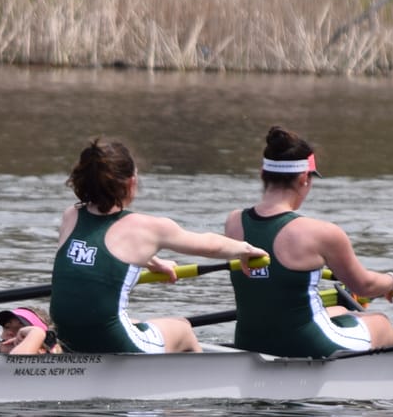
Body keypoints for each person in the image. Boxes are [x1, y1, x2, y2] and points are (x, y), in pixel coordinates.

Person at [50, 137, 264, 354]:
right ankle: (204, 377)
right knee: (182, 328)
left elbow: (99, 251)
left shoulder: (71, 216)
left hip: (67, 339)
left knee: (133, 321)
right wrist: (245, 249)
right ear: (131, 182)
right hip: (115, 346)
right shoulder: (148, 228)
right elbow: (210, 246)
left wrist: (153, 262)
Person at [222, 126, 393, 355]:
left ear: (263, 173)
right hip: (308, 346)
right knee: (381, 323)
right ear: (304, 178)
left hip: (249, 343)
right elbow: (364, 286)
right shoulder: (322, 233)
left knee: (341, 311)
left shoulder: (234, 222)